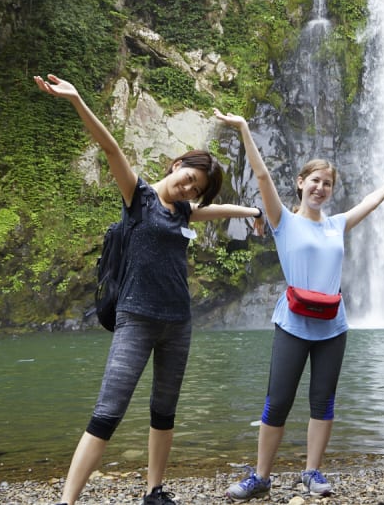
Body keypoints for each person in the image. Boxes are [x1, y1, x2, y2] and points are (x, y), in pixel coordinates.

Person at [34, 74, 265, 505]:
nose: (190, 188)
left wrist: (252, 208)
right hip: (136, 319)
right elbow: (110, 148)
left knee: (164, 412)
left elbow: (212, 211)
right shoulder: (137, 197)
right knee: (107, 413)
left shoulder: (182, 212)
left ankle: (154, 490)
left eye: (197, 188)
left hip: (178, 323)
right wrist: (78, 99)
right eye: (190, 178)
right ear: (177, 165)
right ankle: (66, 501)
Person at [214, 108, 384, 501]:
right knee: (277, 400)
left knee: (323, 401)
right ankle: (261, 476)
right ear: (300, 183)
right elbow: (262, 176)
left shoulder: (338, 224)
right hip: (293, 324)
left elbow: (372, 202)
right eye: (315, 180)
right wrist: (245, 128)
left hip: (334, 326)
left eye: (327, 183)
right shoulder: (282, 220)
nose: (321, 188)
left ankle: (312, 472)